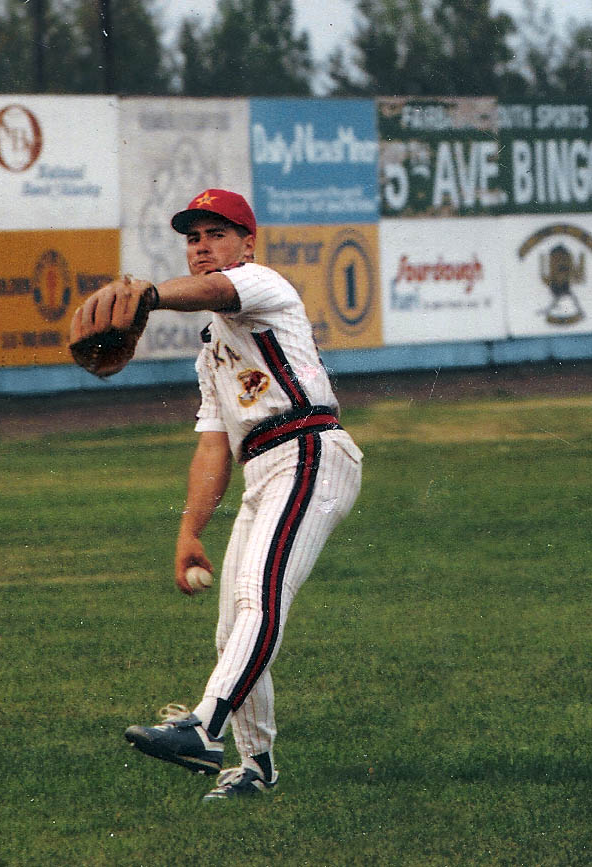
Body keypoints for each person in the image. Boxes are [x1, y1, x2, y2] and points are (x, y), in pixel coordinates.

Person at [122, 189, 364, 801]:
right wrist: (188, 532)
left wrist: (149, 296)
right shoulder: (213, 350)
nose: (202, 248)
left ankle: (204, 728)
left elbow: (213, 290)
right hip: (262, 469)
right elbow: (212, 447)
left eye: (216, 234)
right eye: (193, 238)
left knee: (261, 596)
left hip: (310, 450)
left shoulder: (260, 284)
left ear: (246, 244)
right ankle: (255, 768)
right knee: (232, 624)